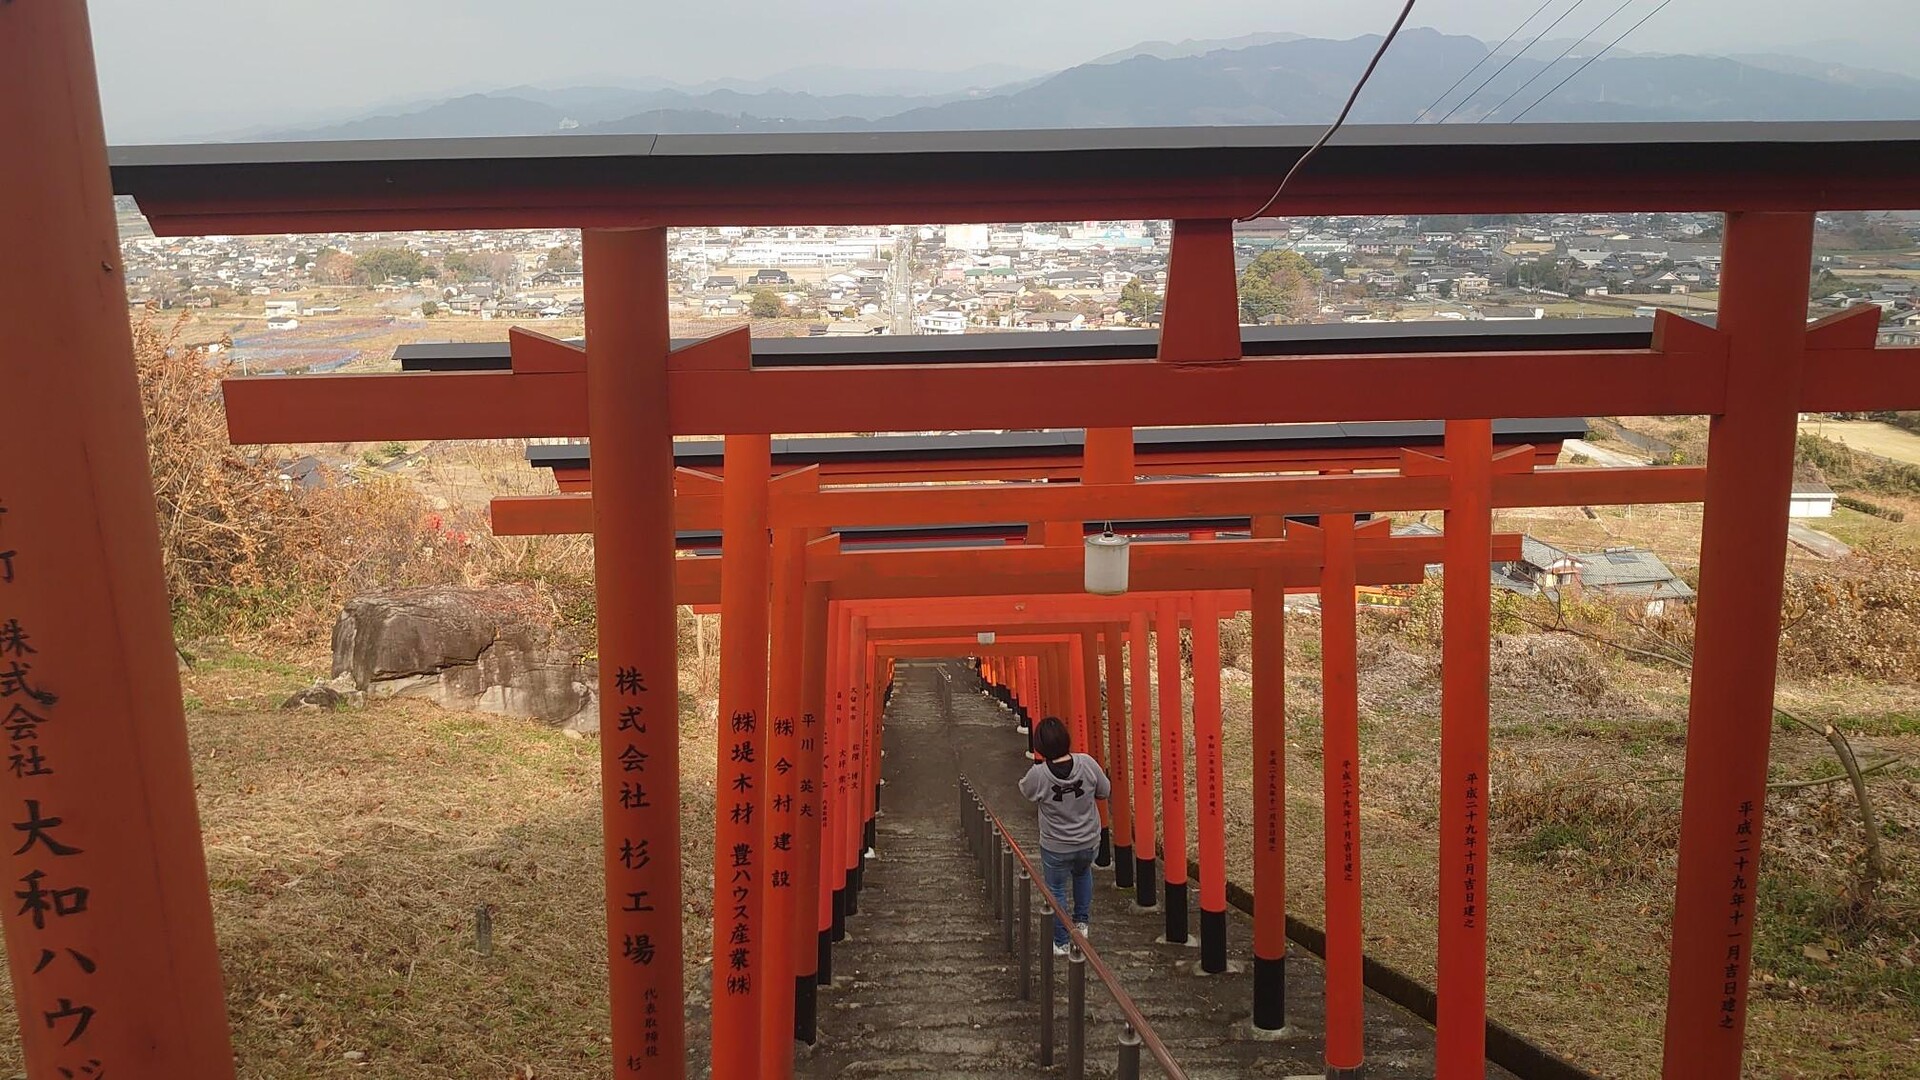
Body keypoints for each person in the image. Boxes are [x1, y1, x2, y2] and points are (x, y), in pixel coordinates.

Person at [1018, 716, 1110, 956]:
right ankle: (1081, 923)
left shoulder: (1039, 774)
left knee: (1056, 889)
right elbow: (1105, 790)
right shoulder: (1087, 763)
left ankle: (1060, 941)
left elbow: (1026, 791)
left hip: (1056, 844)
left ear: (1040, 746)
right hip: (1088, 839)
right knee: (1082, 874)